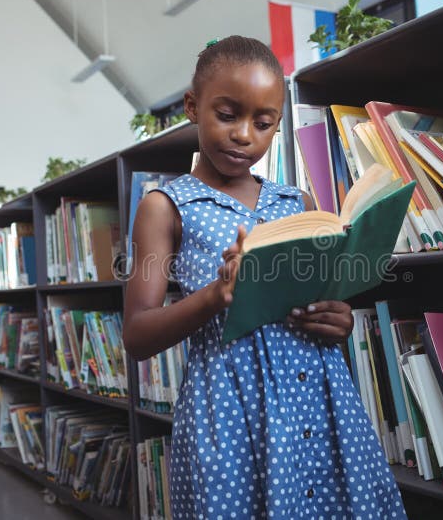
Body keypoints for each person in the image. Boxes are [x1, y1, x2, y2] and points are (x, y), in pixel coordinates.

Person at [123, 35, 407, 518]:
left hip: (321, 401)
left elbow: (323, 298)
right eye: (227, 114)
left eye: (263, 122)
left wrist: (339, 320)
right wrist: (217, 294)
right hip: (231, 412)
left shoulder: (296, 203)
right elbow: (137, 335)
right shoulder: (164, 206)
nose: (244, 135)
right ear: (193, 107)